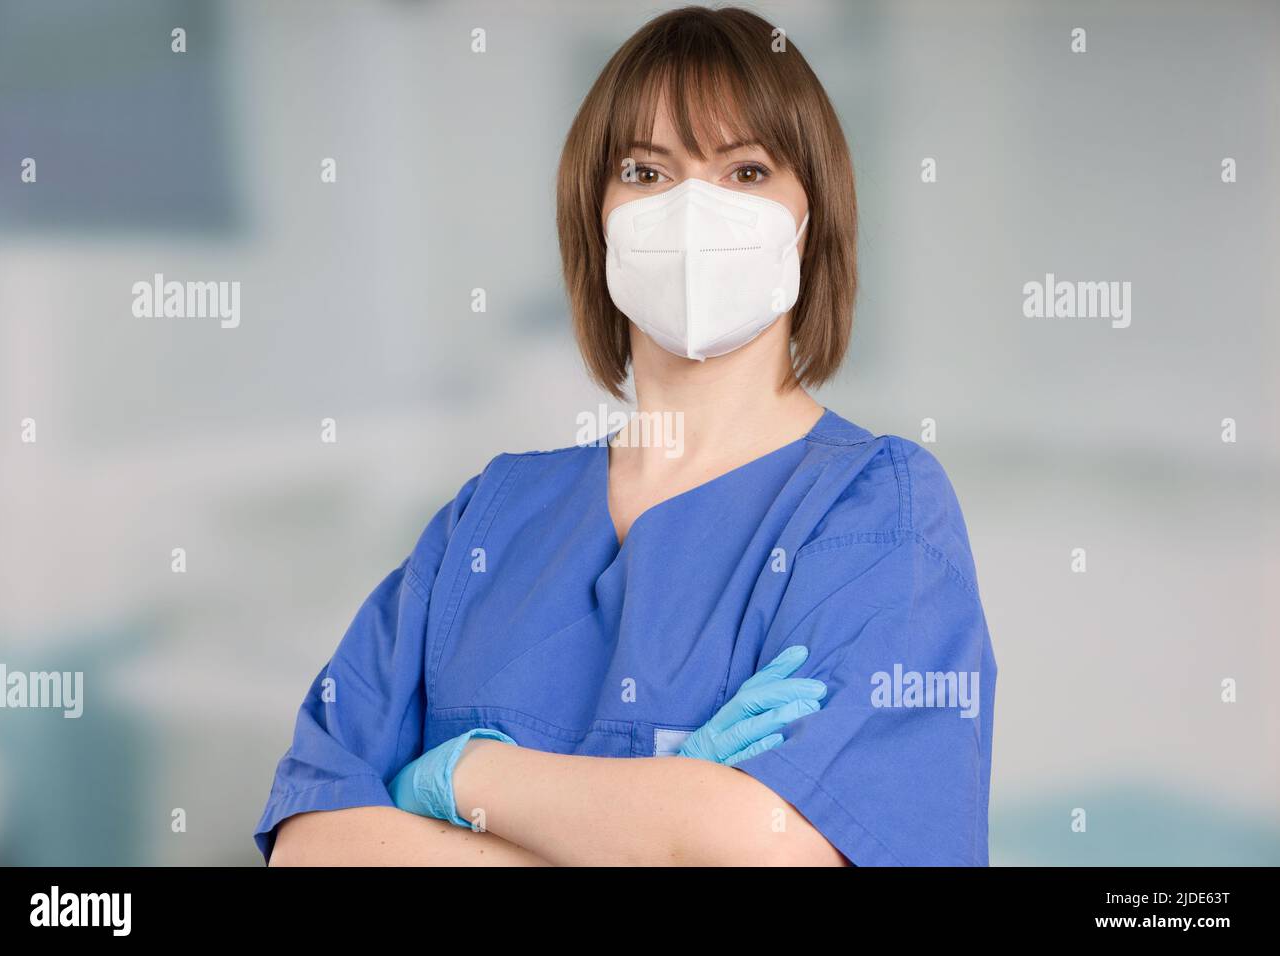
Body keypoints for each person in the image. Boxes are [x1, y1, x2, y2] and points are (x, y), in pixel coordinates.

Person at [256, 5, 996, 867]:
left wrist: (461, 780)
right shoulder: (487, 520)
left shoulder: (877, 513)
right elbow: (313, 848)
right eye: (646, 172)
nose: (693, 209)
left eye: (747, 171)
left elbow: (779, 858)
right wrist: (672, 821)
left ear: (812, 221)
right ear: (594, 218)